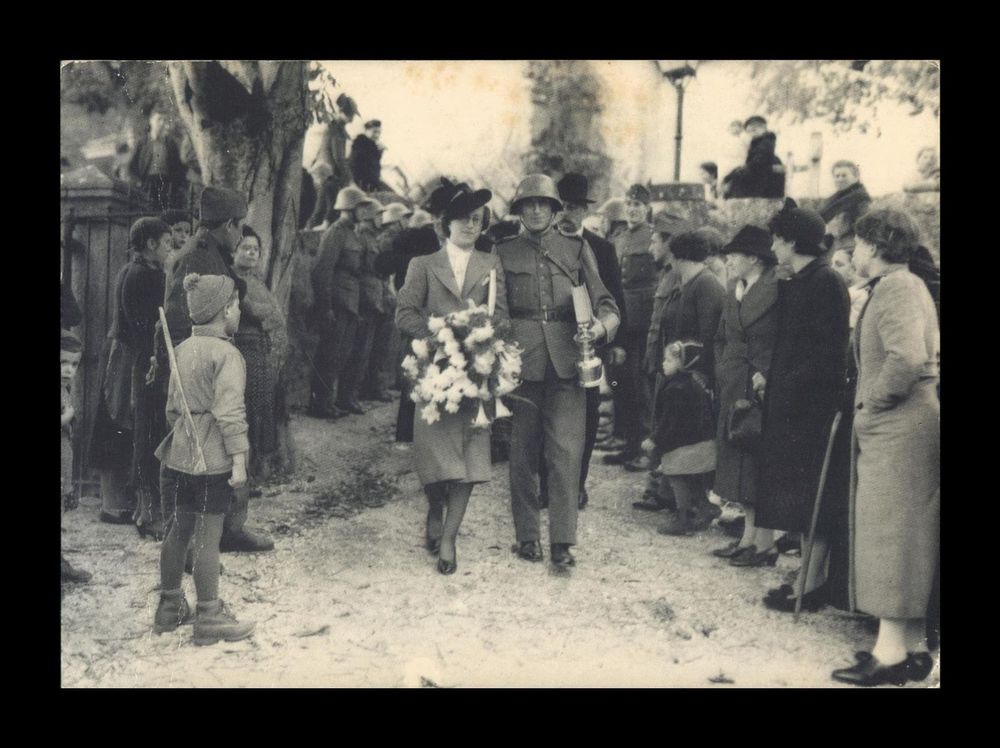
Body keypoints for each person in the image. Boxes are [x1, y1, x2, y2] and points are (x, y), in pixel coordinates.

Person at [829, 209, 939, 687]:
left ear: (875, 245)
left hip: (899, 425)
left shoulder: (896, 287)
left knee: (891, 537)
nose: (854, 251)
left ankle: (890, 657)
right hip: (905, 425)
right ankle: (908, 649)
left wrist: (873, 403)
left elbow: (908, 358)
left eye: (857, 242)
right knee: (903, 535)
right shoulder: (905, 285)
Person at [496, 174, 620, 568]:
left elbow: (606, 304)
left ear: (554, 209)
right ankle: (528, 537)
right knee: (522, 455)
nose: (535, 210)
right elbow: (495, 310)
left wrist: (599, 328)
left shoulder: (577, 248)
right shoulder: (503, 251)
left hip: (568, 361)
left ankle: (563, 542)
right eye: (528, 204)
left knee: (566, 454)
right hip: (522, 363)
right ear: (519, 210)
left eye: (543, 204)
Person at [395, 184, 508, 575]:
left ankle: (449, 538)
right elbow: (405, 313)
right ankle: (434, 506)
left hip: (476, 372)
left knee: (471, 459)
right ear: (447, 223)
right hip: (436, 372)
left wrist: (484, 333)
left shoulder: (491, 265)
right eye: (463, 218)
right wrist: (440, 333)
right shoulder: (423, 265)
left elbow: (503, 315)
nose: (470, 226)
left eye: (477, 220)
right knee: (433, 455)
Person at [160, 185, 274, 554]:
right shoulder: (197, 259)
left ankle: (229, 528)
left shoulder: (213, 254)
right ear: (227, 224)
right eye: (239, 225)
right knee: (204, 455)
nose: (242, 234)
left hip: (218, 366)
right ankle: (197, 542)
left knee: (227, 446)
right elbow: (179, 321)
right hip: (204, 375)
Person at [755, 199, 850, 612]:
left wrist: (788, 390)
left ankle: (811, 586)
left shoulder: (825, 282)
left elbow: (825, 356)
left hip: (810, 413)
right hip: (792, 408)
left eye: (777, 239)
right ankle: (806, 579)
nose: (774, 247)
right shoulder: (802, 278)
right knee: (799, 500)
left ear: (792, 241)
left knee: (814, 500)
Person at [153, 273, 255, 645]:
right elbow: (230, 413)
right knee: (209, 538)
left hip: (179, 455)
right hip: (213, 461)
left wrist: (184, 437)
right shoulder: (228, 354)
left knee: (178, 530)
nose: (239, 310)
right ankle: (209, 616)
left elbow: (171, 409)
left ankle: (168, 608)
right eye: (237, 305)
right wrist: (239, 462)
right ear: (225, 311)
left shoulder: (180, 349)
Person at [538, 173, 627, 510]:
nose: (567, 214)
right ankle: (548, 485)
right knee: (548, 415)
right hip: (550, 343)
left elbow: (614, 296)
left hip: (590, 345)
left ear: (585, 211)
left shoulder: (601, 248)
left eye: (575, 207)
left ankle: (577, 484)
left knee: (587, 417)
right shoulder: (541, 244)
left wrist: (615, 342)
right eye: (562, 207)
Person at [710, 225, 782, 565]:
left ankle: (764, 543)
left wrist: (765, 375)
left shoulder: (777, 288)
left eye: (734, 254)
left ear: (754, 258)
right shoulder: (733, 288)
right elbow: (721, 336)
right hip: (734, 381)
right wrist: (722, 370)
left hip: (759, 385)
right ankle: (748, 537)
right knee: (737, 462)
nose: (728, 259)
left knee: (756, 462)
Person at [379, 184, 457, 445]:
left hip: (438, 314)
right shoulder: (418, 238)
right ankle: (408, 433)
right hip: (417, 312)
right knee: (414, 371)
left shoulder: (455, 240)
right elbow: (389, 262)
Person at [112, 218, 174, 537]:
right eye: (166, 243)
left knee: (146, 433)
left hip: (145, 361)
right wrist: (153, 359)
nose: (170, 248)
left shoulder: (137, 271)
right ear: (150, 244)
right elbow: (142, 326)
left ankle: (143, 511)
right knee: (148, 435)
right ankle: (148, 514)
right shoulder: (144, 276)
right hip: (148, 364)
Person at [308, 186, 379, 418]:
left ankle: (331, 401)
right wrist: (325, 306)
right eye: (361, 206)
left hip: (350, 302)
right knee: (330, 354)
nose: (364, 211)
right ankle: (320, 404)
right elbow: (322, 270)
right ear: (349, 207)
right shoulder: (336, 233)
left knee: (341, 354)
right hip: (337, 301)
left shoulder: (354, 233)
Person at [604, 184, 656, 470]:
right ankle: (627, 442)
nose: (633, 209)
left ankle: (643, 448)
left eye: (638, 204)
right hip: (621, 319)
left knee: (639, 386)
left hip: (643, 321)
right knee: (619, 382)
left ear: (647, 208)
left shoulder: (652, 237)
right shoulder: (620, 237)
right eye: (629, 203)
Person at [232, 226, 290, 479]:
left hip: (263, 350)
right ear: (234, 252)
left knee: (265, 406)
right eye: (246, 248)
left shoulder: (256, 280)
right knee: (249, 408)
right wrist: (271, 314)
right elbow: (253, 311)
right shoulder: (234, 280)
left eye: (255, 249)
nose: (252, 253)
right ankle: (246, 470)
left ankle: (262, 466)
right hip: (245, 349)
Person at [642, 340, 717, 535]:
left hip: (684, 446)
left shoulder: (676, 389)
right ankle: (706, 507)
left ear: (682, 363)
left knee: (677, 478)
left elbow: (669, 422)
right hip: (702, 443)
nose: (663, 364)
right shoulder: (693, 384)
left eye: (668, 360)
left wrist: (654, 440)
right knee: (692, 479)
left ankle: (684, 517)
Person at [362, 202, 412, 402]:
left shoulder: (385, 238)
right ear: (398, 220)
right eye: (405, 218)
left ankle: (377, 386)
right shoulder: (389, 240)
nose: (407, 222)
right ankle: (375, 387)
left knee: (381, 345)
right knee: (379, 345)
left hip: (383, 293)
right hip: (382, 295)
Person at [61, 330, 91, 584]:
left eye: (74, 364)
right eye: (62, 363)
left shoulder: (65, 388)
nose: (68, 370)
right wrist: (66, 418)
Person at [129, 104, 186, 211]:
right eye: (159, 119)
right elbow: (132, 166)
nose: (162, 123)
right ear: (151, 121)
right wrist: (138, 182)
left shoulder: (170, 143)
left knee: (164, 211)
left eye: (164, 120)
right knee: (147, 210)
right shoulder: (142, 142)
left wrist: (176, 185)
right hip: (147, 182)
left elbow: (178, 167)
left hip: (165, 182)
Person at [723, 116, 785, 199]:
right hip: (765, 184)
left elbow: (757, 163)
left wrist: (733, 175)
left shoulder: (766, 141)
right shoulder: (757, 143)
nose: (752, 133)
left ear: (764, 128)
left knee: (736, 181)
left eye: (755, 129)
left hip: (767, 188)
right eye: (749, 131)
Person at [819, 161, 872, 254]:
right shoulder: (835, 198)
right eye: (837, 176)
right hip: (832, 244)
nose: (840, 179)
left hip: (847, 247)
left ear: (856, 177)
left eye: (844, 175)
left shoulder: (860, 198)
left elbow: (864, 226)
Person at [349, 119, 385, 193]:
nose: (377, 135)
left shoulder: (372, 145)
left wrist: (380, 152)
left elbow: (374, 165)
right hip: (361, 184)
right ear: (366, 130)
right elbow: (364, 166)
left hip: (369, 184)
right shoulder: (360, 144)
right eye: (374, 132)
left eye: (379, 132)